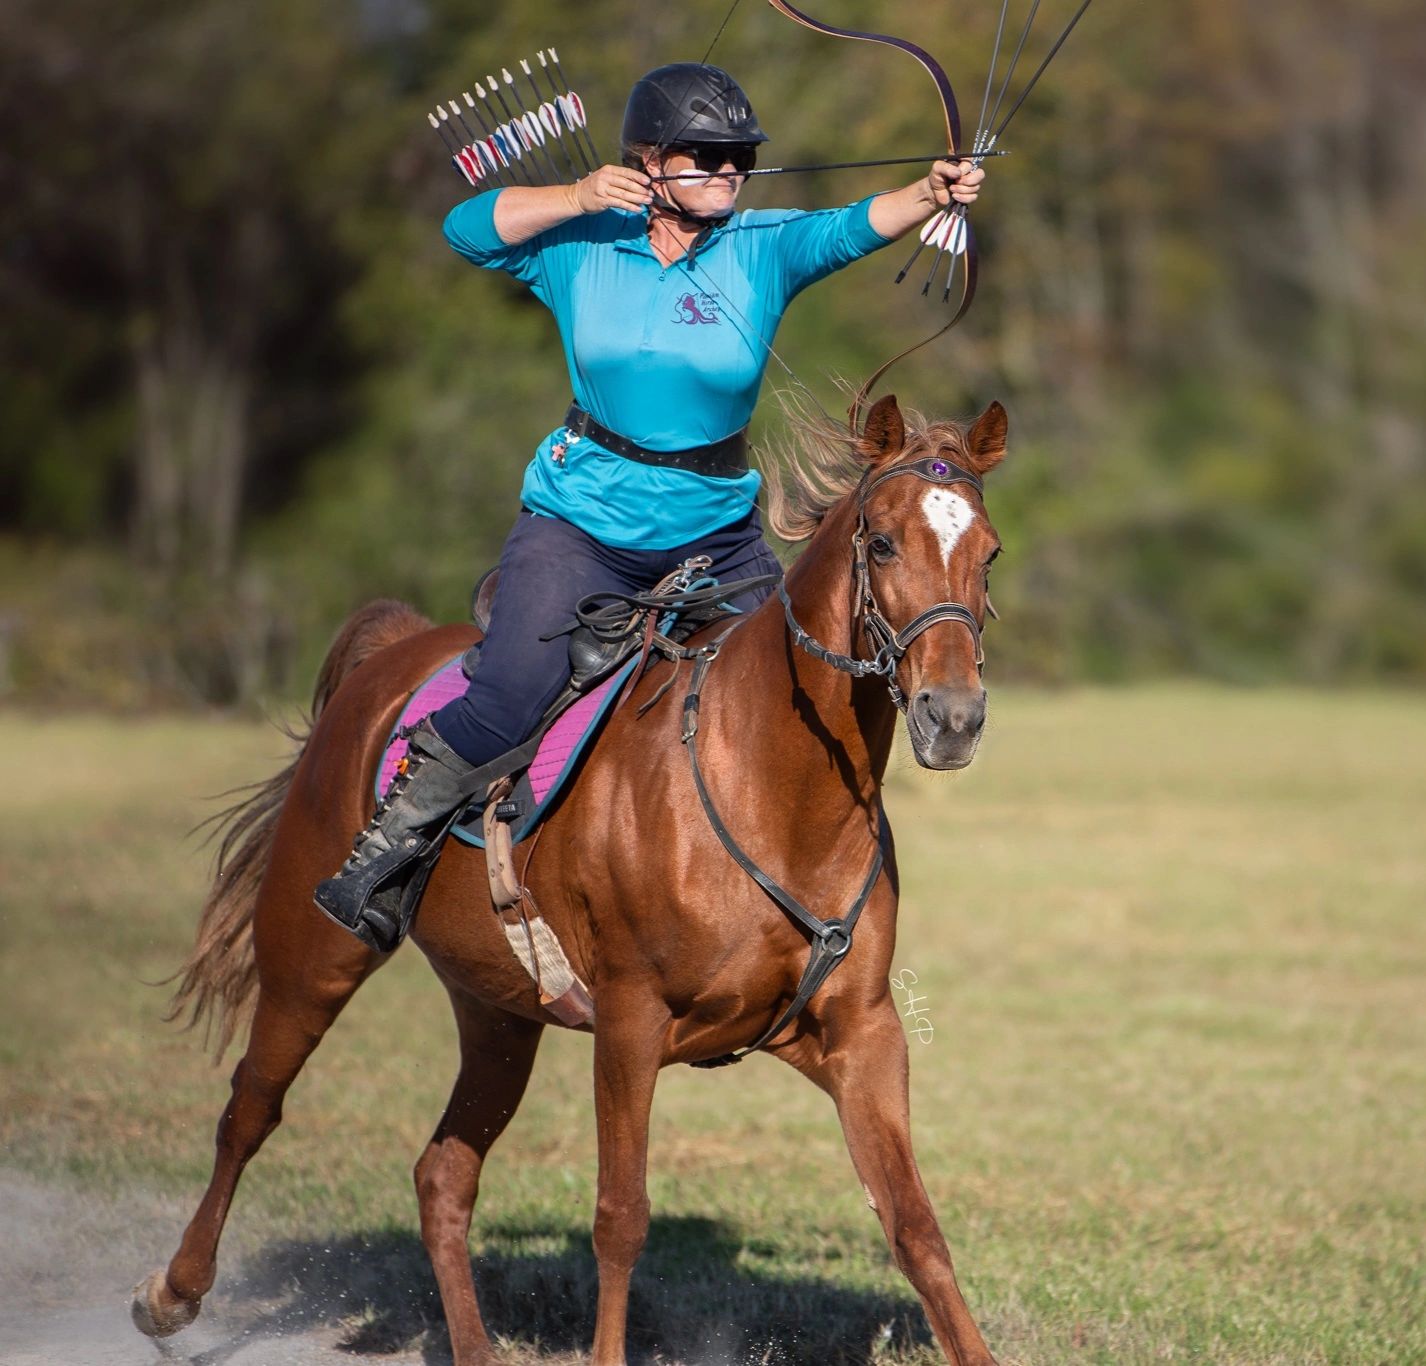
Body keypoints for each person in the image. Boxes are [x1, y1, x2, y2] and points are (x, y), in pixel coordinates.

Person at [314, 61, 985, 951]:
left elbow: (857, 225)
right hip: (579, 527)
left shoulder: (762, 246)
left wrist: (930, 191)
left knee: (797, 698)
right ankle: (384, 856)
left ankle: (789, 916)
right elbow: (466, 228)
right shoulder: (581, 243)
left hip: (716, 536)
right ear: (649, 160)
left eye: (739, 157)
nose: (729, 171)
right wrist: (576, 192)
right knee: (509, 692)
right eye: (705, 155)